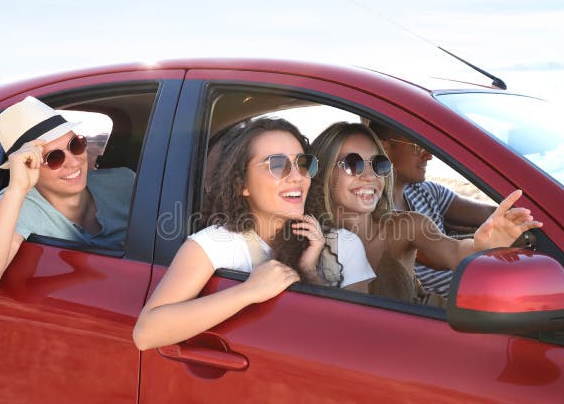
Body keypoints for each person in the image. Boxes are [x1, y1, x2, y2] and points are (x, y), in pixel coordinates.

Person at [132, 117, 374, 351]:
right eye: (277, 165)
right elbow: (146, 333)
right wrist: (248, 292)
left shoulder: (343, 245)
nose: (296, 177)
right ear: (242, 184)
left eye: (302, 164)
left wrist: (310, 270)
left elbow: (360, 337)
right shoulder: (215, 244)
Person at [308, 122, 542, 306]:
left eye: (378, 164)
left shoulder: (407, 226)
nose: (370, 176)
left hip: (425, 340)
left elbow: (455, 251)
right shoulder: (304, 235)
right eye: (353, 163)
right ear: (325, 171)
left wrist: (483, 246)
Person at [0, 96, 134, 299]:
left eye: (76, 145)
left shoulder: (124, 181)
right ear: (27, 164)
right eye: (54, 158)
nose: (74, 162)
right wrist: (16, 189)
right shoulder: (18, 206)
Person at [369, 121, 497, 298]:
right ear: (385, 148)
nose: (428, 155)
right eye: (417, 146)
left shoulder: (428, 191)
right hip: (442, 316)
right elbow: (445, 253)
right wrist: (502, 239)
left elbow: (490, 214)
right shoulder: (370, 213)